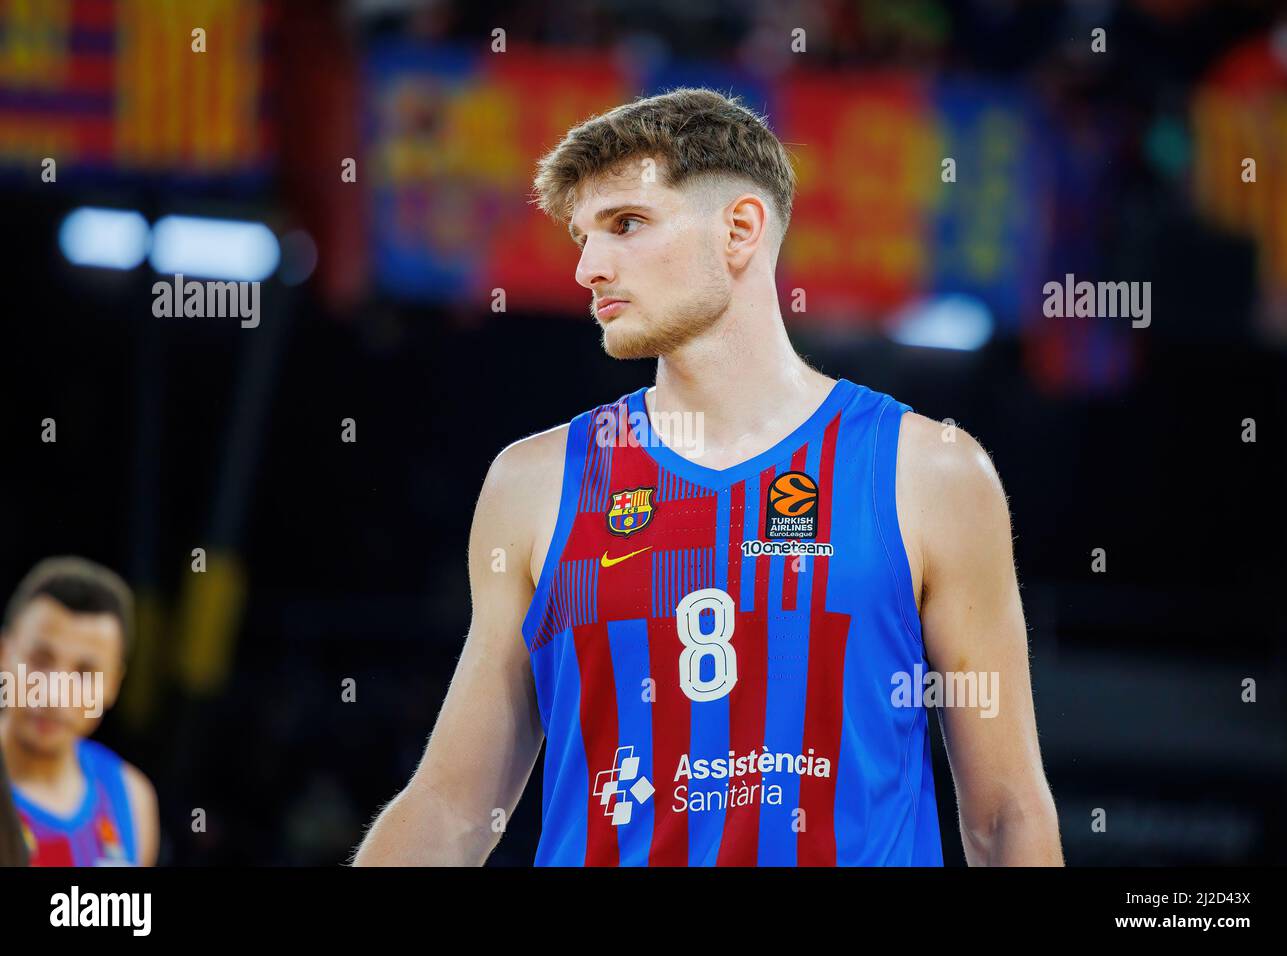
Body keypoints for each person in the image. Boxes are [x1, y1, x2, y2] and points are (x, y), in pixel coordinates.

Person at [354, 88, 1062, 866]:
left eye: (626, 224)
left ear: (739, 229)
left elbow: (1006, 817)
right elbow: (452, 809)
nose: (590, 267)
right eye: (581, 237)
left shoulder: (930, 471)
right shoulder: (535, 483)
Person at [0, 557, 159, 865]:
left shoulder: (131, 798)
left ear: (113, 684)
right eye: (40, 660)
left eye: (85, 672)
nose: (55, 693)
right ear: (4, 655)